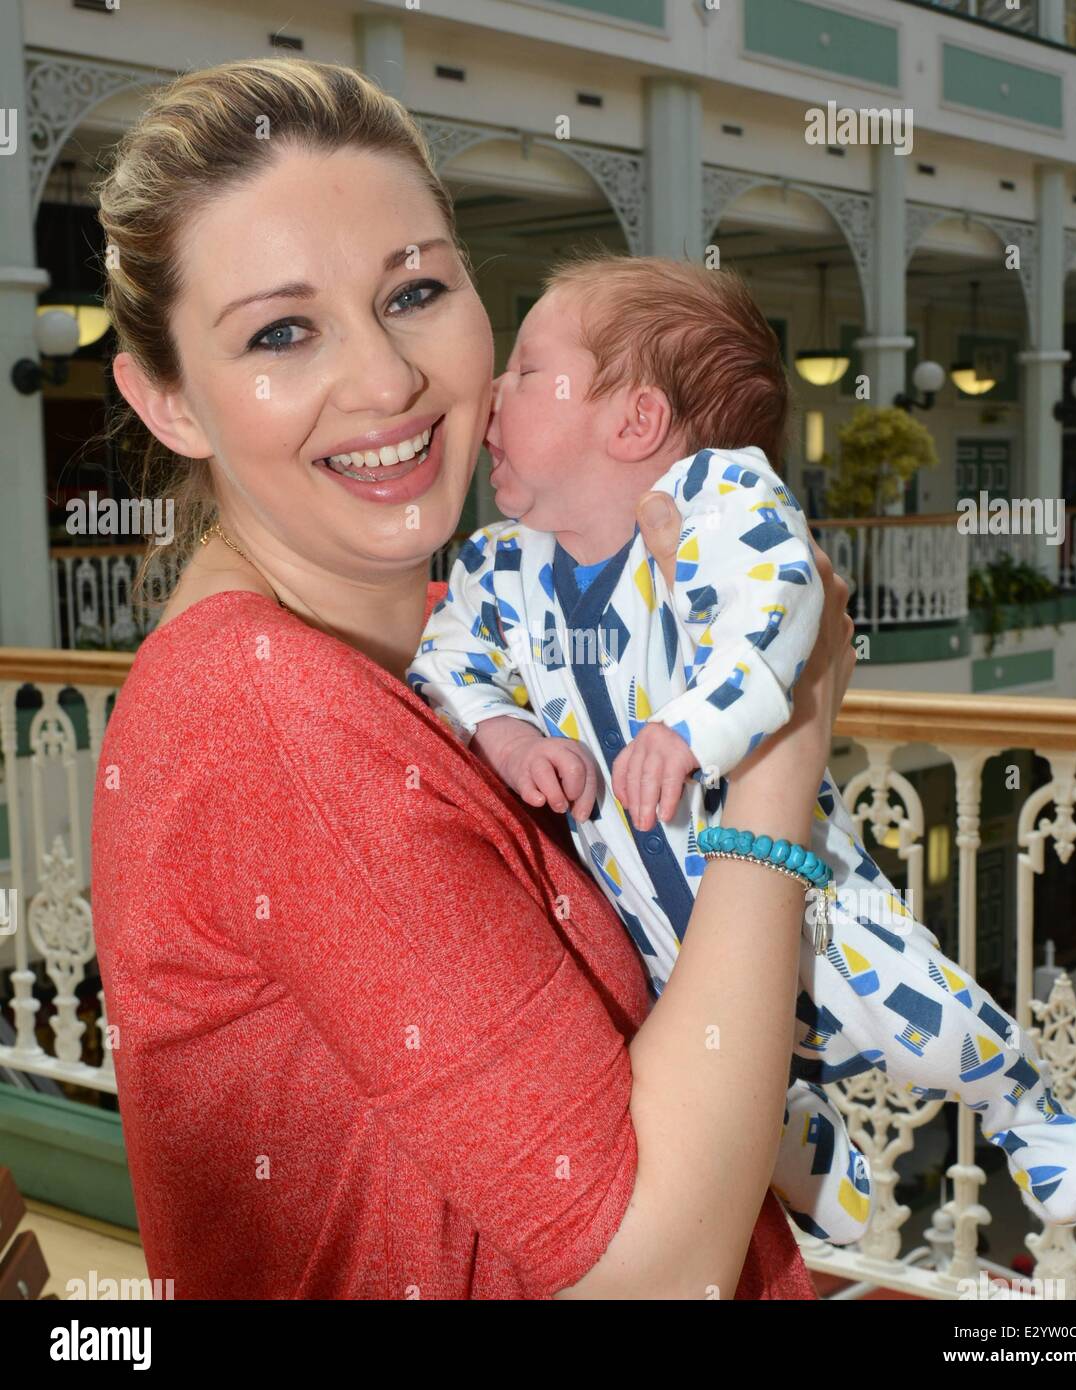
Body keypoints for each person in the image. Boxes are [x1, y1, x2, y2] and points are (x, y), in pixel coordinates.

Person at [89, 55, 854, 1300]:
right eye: (282, 332)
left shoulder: (455, 643)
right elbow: (650, 1278)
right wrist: (782, 759)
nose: (388, 383)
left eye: (417, 290)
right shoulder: (277, 714)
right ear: (167, 398)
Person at [405, 258, 1076, 1238]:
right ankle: (836, 1188)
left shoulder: (713, 497)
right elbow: (445, 656)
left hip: (812, 908)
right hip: (656, 937)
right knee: (726, 1094)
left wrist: (693, 727)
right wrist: (509, 730)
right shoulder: (500, 566)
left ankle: (1027, 1114)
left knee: (916, 1006)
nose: (492, 395)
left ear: (635, 424)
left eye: (528, 371)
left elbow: (779, 605)